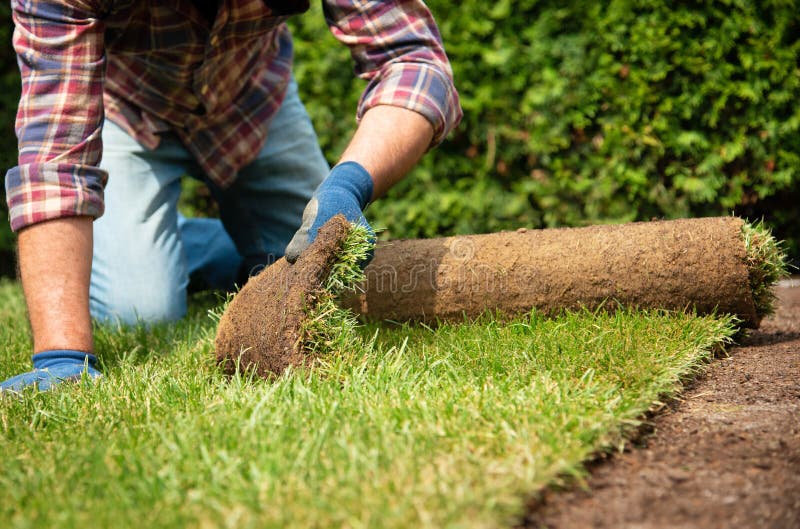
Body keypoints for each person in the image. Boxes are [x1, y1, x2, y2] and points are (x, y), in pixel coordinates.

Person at [0, 0, 461, 392]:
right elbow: (54, 157)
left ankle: (183, 244)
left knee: (331, 282)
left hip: (252, 100)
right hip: (127, 112)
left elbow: (413, 62)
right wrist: (61, 356)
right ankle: (159, 245)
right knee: (142, 308)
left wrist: (348, 186)